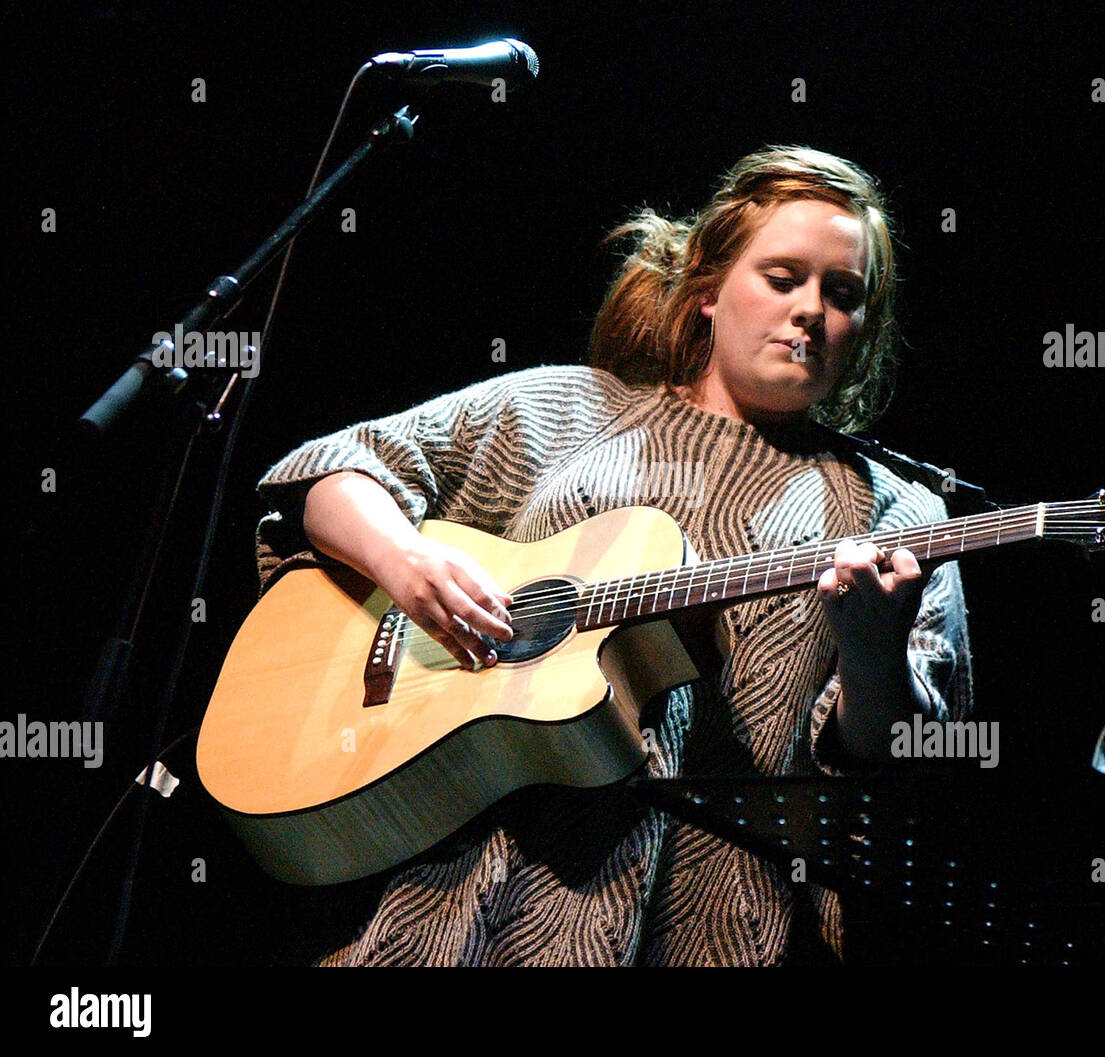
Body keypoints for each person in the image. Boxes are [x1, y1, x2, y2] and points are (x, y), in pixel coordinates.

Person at [253, 145, 972, 965]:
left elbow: (908, 767)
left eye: (843, 295)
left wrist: (873, 647)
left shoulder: (897, 513)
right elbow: (326, 472)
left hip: (710, 926)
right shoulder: (567, 407)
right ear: (707, 293)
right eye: (783, 277)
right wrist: (406, 562)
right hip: (446, 907)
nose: (811, 309)